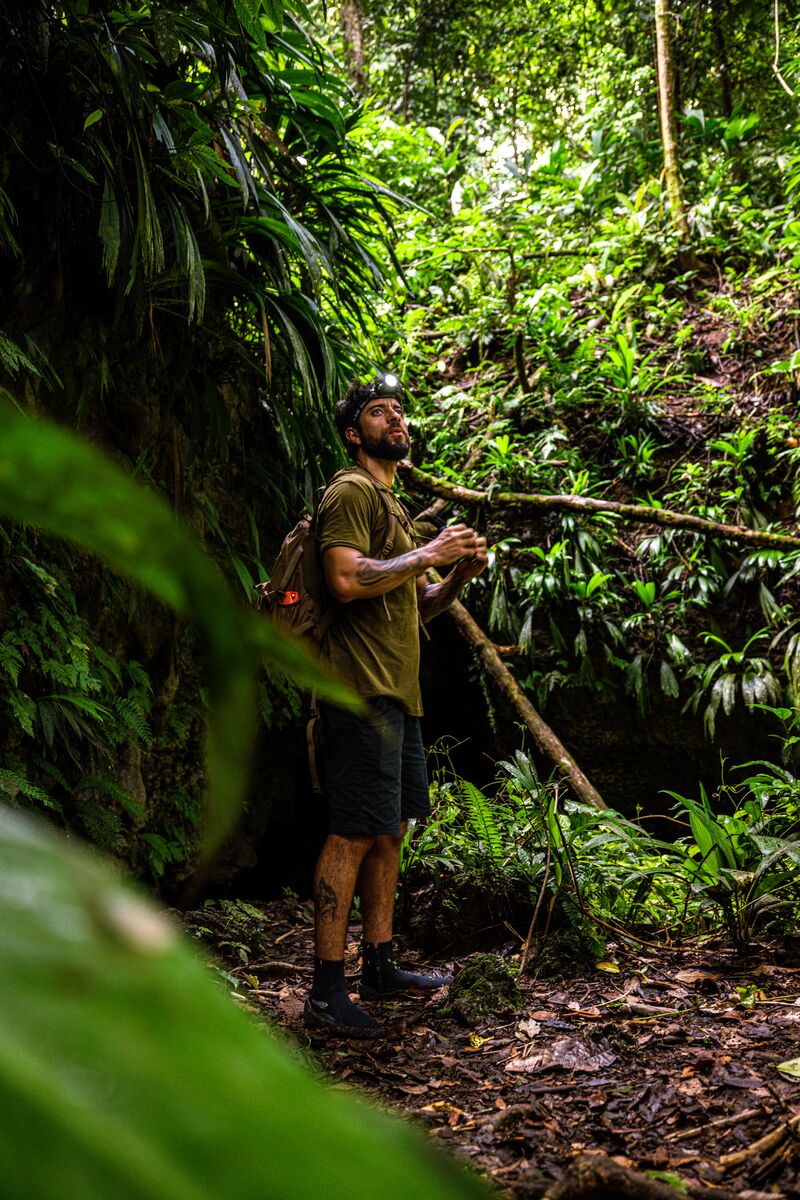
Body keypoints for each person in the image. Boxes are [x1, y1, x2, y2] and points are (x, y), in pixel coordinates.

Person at [304, 372, 488, 1038]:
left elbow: (420, 605)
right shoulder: (351, 490)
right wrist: (432, 550)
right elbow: (346, 579)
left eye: (401, 411)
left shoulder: (395, 507)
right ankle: (326, 990)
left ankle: (380, 963)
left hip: (398, 694)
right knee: (353, 831)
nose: (397, 420)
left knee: (389, 831)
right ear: (356, 433)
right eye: (381, 413)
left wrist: (455, 575)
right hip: (357, 690)